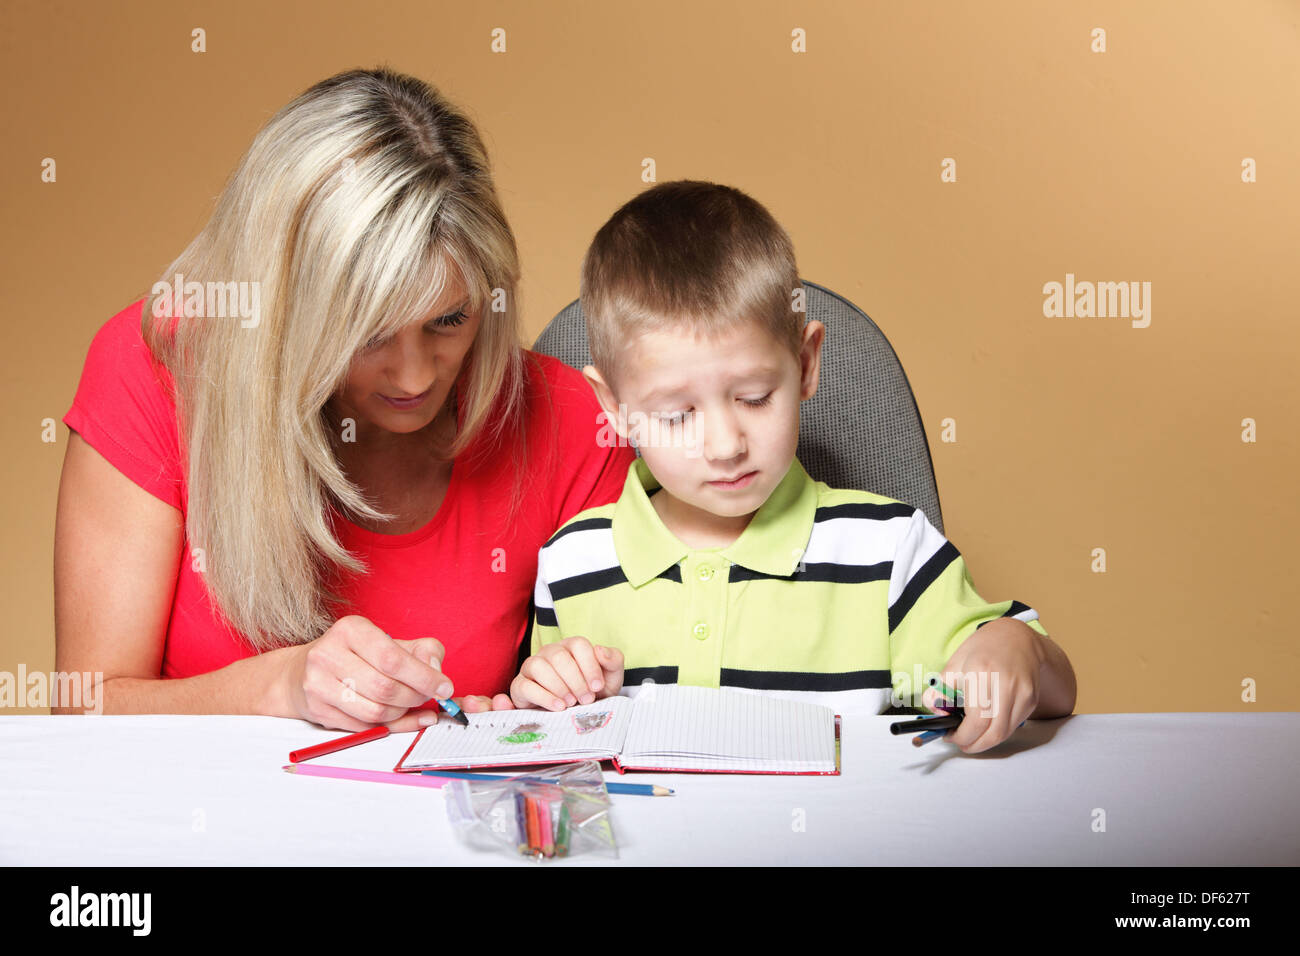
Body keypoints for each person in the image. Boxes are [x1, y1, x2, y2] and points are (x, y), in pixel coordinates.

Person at [53, 68, 635, 732]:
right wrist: (277, 687)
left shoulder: (568, 421)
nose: (415, 377)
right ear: (279, 309)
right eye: (368, 334)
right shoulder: (154, 369)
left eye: (450, 320)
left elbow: (608, 705)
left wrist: (533, 716)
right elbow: (82, 709)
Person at [509, 180, 1076, 753]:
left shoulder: (886, 551)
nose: (726, 444)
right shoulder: (571, 562)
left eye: (754, 397)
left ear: (805, 365)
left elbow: (1053, 692)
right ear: (615, 409)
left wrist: (1015, 649)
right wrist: (545, 697)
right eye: (678, 414)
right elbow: (551, 741)